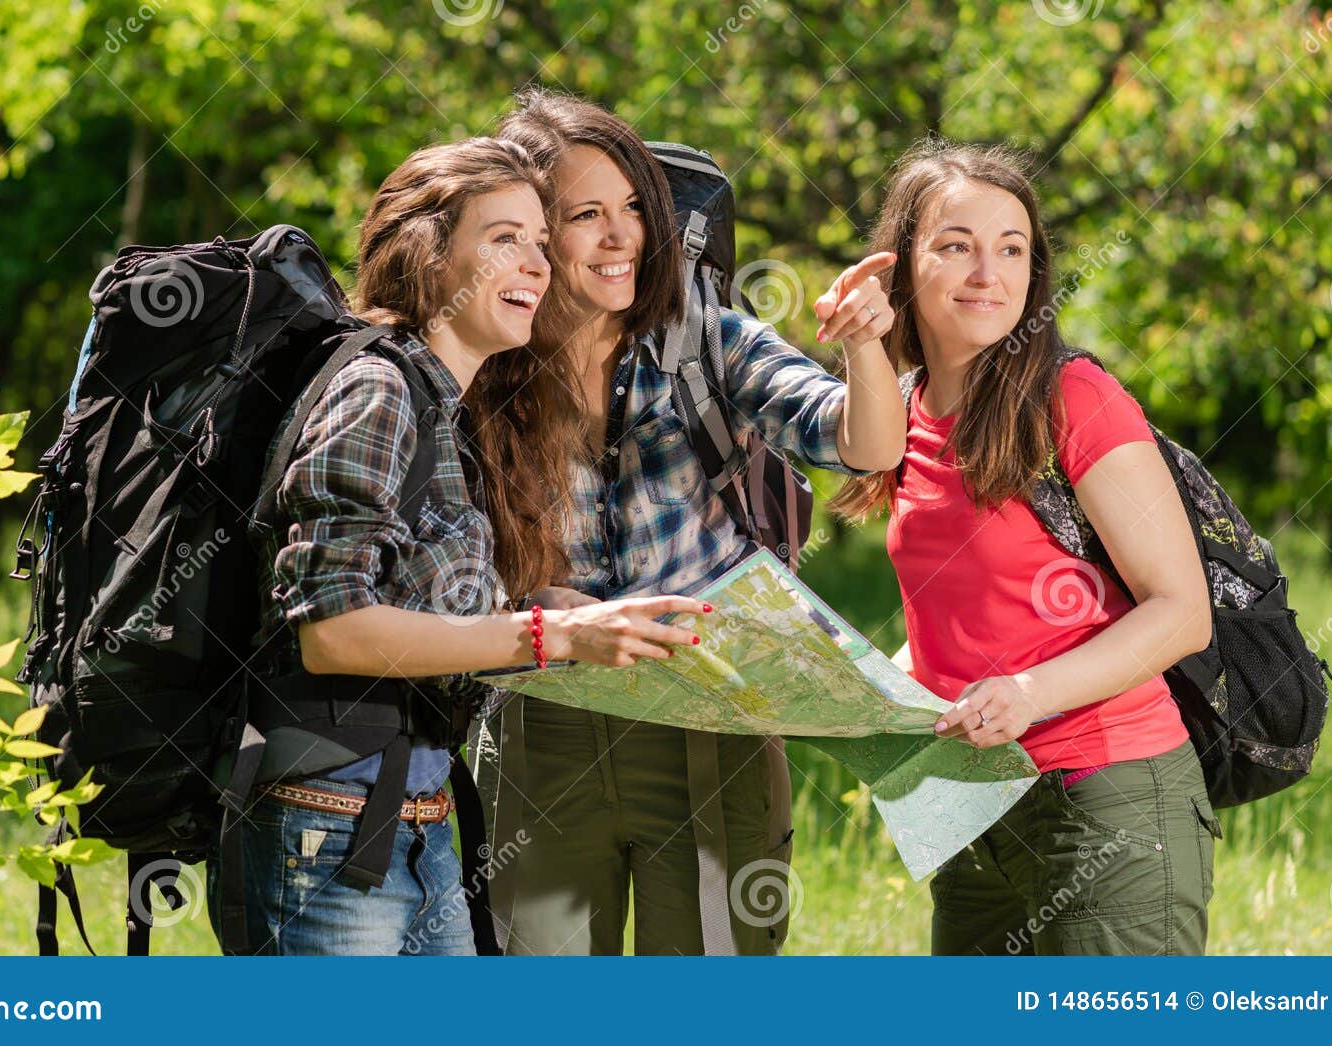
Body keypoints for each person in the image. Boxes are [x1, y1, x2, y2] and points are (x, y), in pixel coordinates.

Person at [224, 136, 706, 956]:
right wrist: (547, 639)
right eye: (503, 239)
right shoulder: (375, 388)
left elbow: (417, 610)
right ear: (429, 256)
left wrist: (545, 611)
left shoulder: (449, 406)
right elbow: (333, 630)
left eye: (540, 243)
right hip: (324, 831)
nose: (537, 264)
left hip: (418, 820)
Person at [478, 89, 905, 955]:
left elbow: (858, 444)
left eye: (635, 207)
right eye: (585, 214)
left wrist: (864, 345)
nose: (620, 236)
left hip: (710, 719)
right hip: (542, 723)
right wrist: (540, 603)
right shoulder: (479, 363)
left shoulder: (704, 337)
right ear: (525, 230)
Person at [832, 138, 1218, 955]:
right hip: (974, 804)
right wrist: (862, 692)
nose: (989, 274)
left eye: (1012, 249)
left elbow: (1183, 613)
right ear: (901, 267)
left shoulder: (1074, 398)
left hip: (1105, 797)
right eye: (957, 247)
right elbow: (966, 613)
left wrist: (1029, 693)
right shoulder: (905, 411)